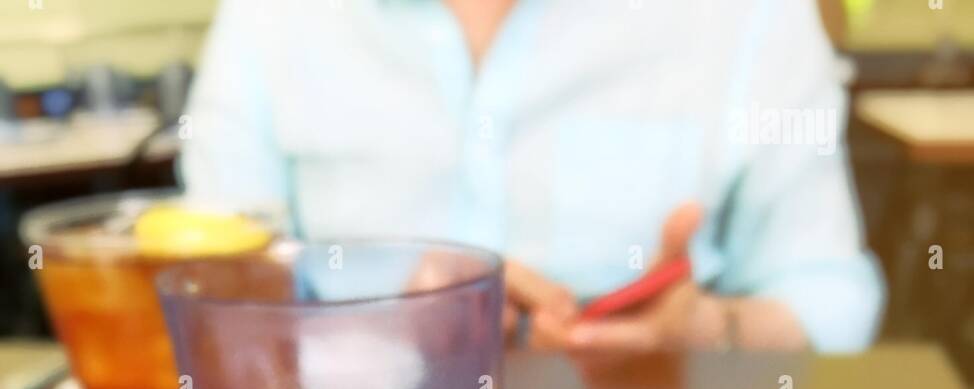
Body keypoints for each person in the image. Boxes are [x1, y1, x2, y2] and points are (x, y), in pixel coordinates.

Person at [181, 0, 883, 352]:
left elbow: (828, 292)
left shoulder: (751, 17)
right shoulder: (267, 17)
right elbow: (203, 291)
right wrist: (389, 329)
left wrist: (709, 333)